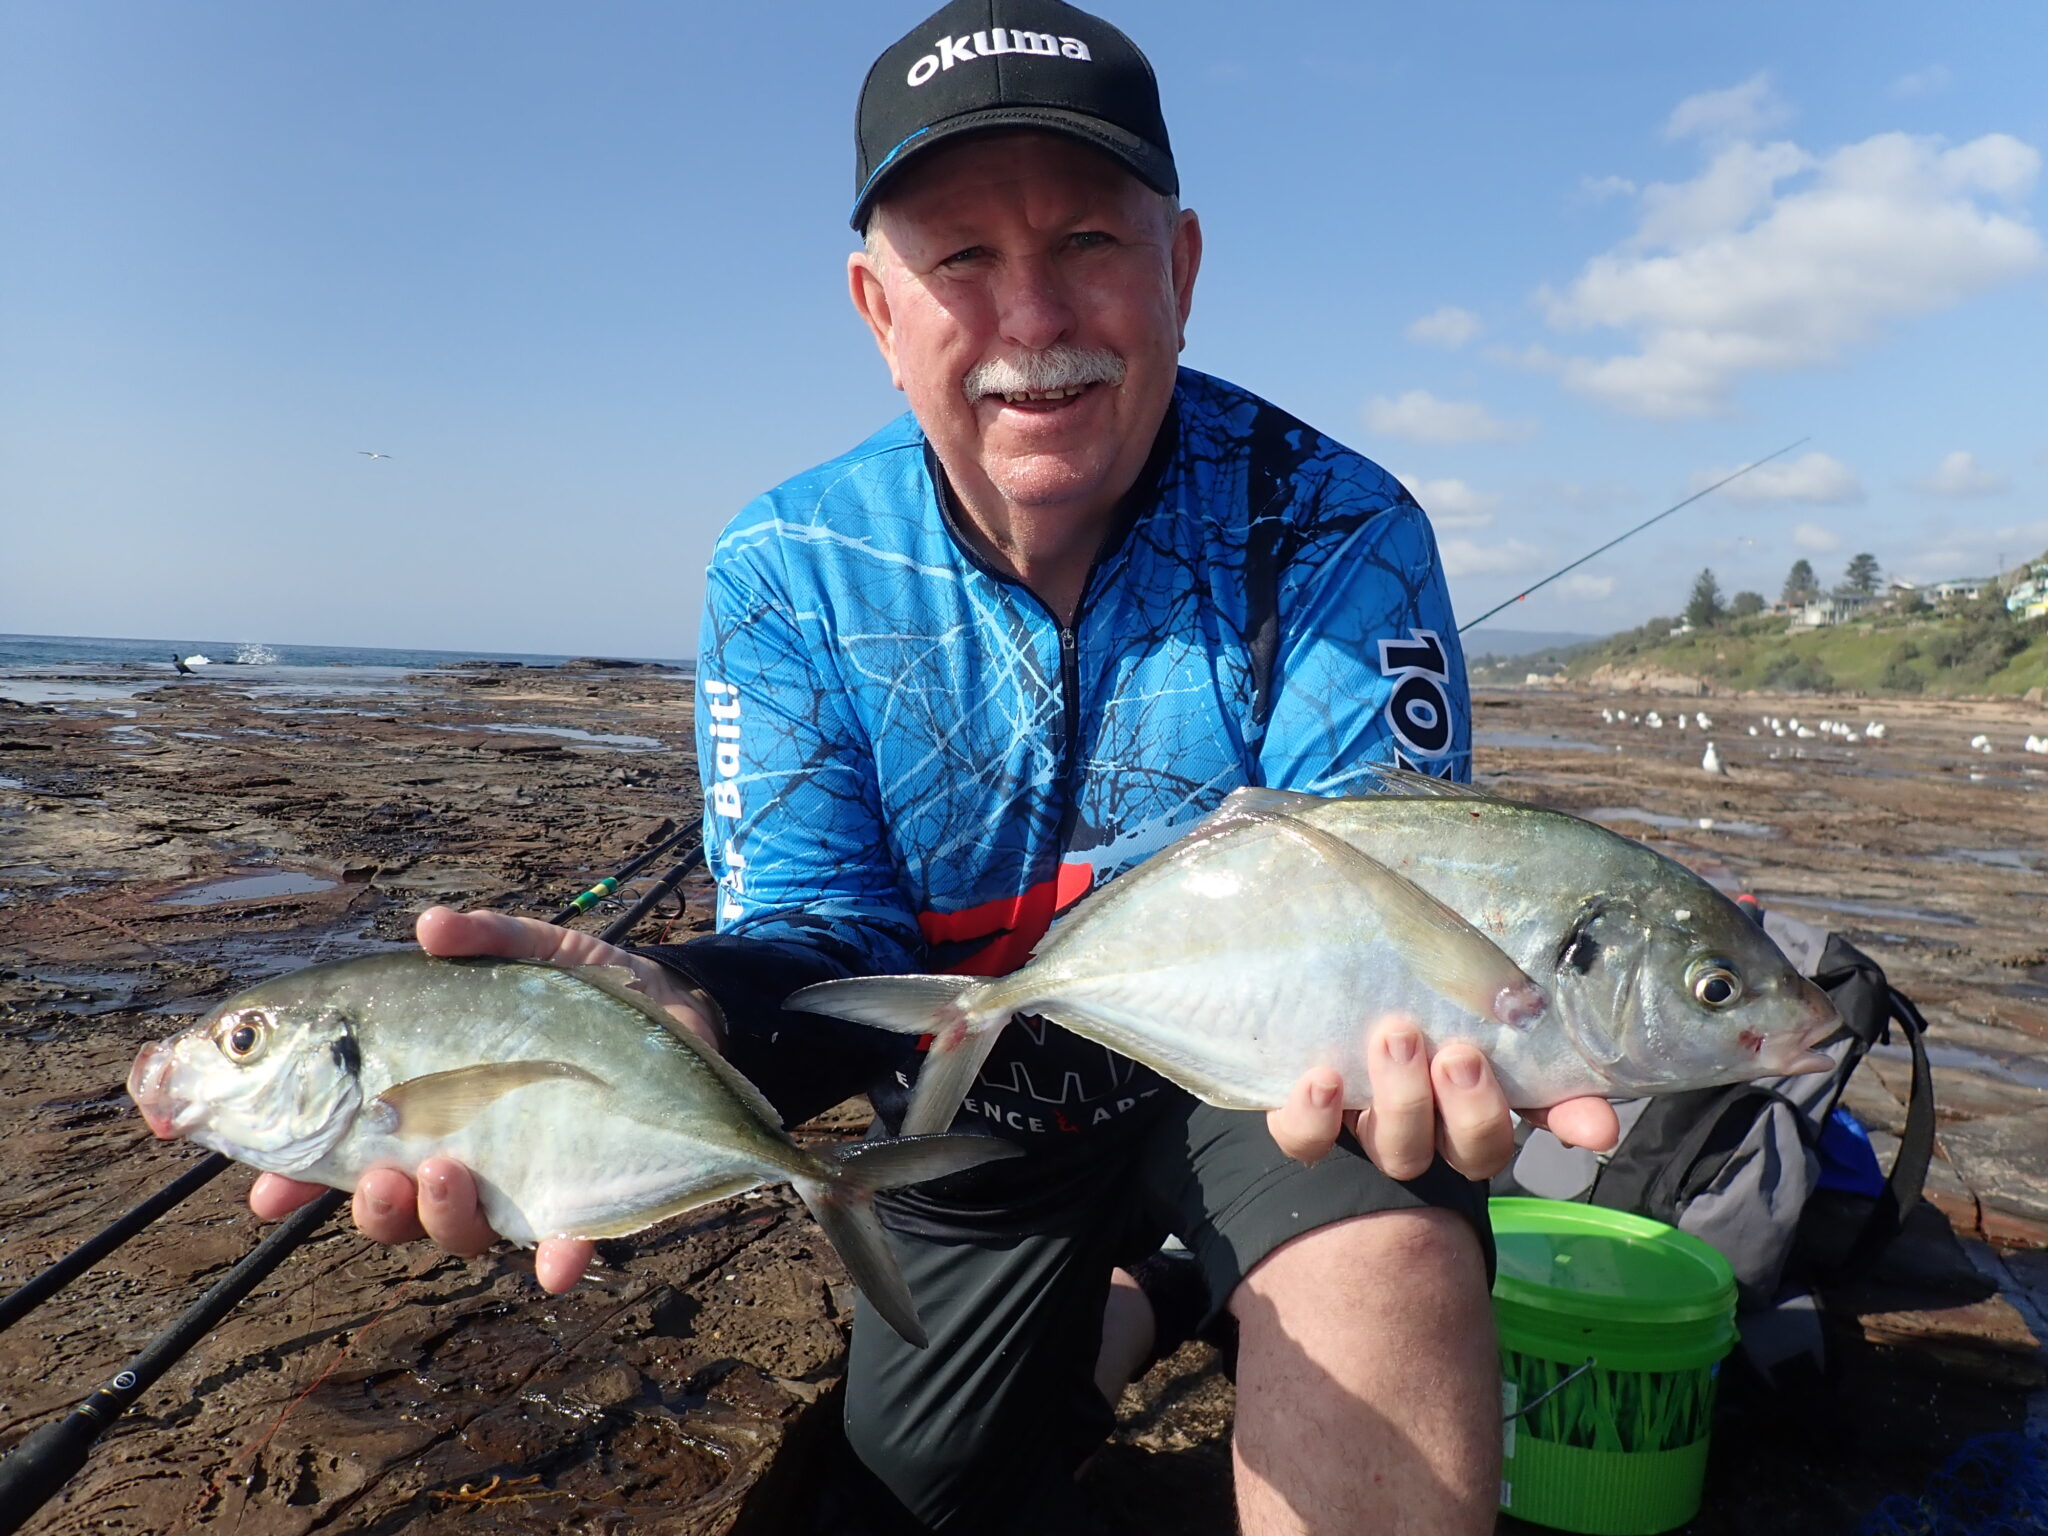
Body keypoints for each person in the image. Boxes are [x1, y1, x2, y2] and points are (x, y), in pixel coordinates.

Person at [253, 3, 1620, 1530]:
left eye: (1091, 238)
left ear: (1180, 269)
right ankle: (1145, 1301)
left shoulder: (1336, 528)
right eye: (960, 258)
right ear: (875, 307)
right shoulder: (793, 570)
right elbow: (824, 938)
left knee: (1394, 1255)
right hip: (981, 1098)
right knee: (919, 1489)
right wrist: (696, 1014)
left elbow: (1389, 894)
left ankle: (1219, 1263)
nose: (1032, 314)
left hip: (1262, 1078)